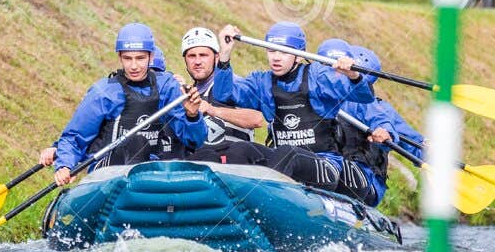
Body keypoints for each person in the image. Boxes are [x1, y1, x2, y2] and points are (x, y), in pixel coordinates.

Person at [206, 21, 371, 190]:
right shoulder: (261, 82)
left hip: (324, 166)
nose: (276, 57)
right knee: (240, 149)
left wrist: (353, 75)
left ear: (298, 56)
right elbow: (222, 95)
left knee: (289, 152)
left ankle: (265, 199)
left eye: (284, 52)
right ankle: (232, 197)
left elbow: (364, 96)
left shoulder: (318, 76)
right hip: (282, 161)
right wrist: (225, 54)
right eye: (271, 50)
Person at [40, 23, 205, 186]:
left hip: (151, 176)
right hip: (107, 177)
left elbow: (194, 141)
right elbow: (75, 136)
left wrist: (192, 116)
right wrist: (65, 165)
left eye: (140, 58)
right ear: (120, 57)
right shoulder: (104, 92)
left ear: (151, 57)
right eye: (127, 58)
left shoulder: (167, 87)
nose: (133, 66)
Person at [335, 45, 424, 206]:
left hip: (365, 183)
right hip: (327, 170)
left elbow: (417, 148)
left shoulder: (379, 109)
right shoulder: (318, 94)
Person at [175, 26, 269, 162]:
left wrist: (212, 110)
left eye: (203, 55)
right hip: (201, 165)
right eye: (191, 56)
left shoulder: (231, 83)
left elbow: (257, 119)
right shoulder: (188, 93)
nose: (197, 61)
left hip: (235, 164)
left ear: (216, 57)